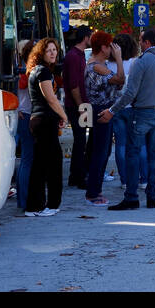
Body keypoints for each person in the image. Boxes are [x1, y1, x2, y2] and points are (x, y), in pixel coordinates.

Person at [99, 28, 155, 210]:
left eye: (141, 40)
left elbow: (129, 93)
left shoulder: (141, 62)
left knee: (132, 153)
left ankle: (131, 196)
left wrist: (112, 110)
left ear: (147, 42)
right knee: (153, 154)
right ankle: (152, 196)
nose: (139, 43)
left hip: (142, 113)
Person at [25, 38, 68, 216]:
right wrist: (64, 115)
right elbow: (51, 98)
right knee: (53, 165)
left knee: (39, 165)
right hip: (44, 121)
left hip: (38, 120)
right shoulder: (43, 72)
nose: (53, 53)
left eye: (55, 50)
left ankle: (34, 206)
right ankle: (52, 205)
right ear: (41, 53)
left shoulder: (36, 70)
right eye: (49, 50)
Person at [82, 31, 118, 206]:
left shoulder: (94, 63)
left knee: (100, 151)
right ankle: (93, 193)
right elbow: (120, 80)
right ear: (103, 47)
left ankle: (94, 190)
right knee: (100, 153)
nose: (112, 49)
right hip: (101, 110)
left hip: (97, 109)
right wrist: (118, 58)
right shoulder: (97, 66)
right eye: (110, 45)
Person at [61, 25, 93, 188]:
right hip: (78, 105)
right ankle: (77, 177)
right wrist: (81, 106)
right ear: (85, 37)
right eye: (91, 37)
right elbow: (73, 85)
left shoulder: (79, 55)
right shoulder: (74, 56)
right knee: (80, 140)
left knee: (83, 141)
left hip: (82, 103)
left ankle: (79, 174)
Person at [110, 33, 139, 189]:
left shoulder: (108, 65)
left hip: (115, 108)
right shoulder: (135, 63)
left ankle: (124, 180)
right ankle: (142, 178)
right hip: (132, 107)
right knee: (137, 145)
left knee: (120, 145)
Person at [14, 40, 35, 211]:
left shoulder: (17, 68)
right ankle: (26, 199)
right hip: (28, 115)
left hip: (22, 113)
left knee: (26, 159)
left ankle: (23, 199)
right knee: (28, 159)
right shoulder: (28, 71)